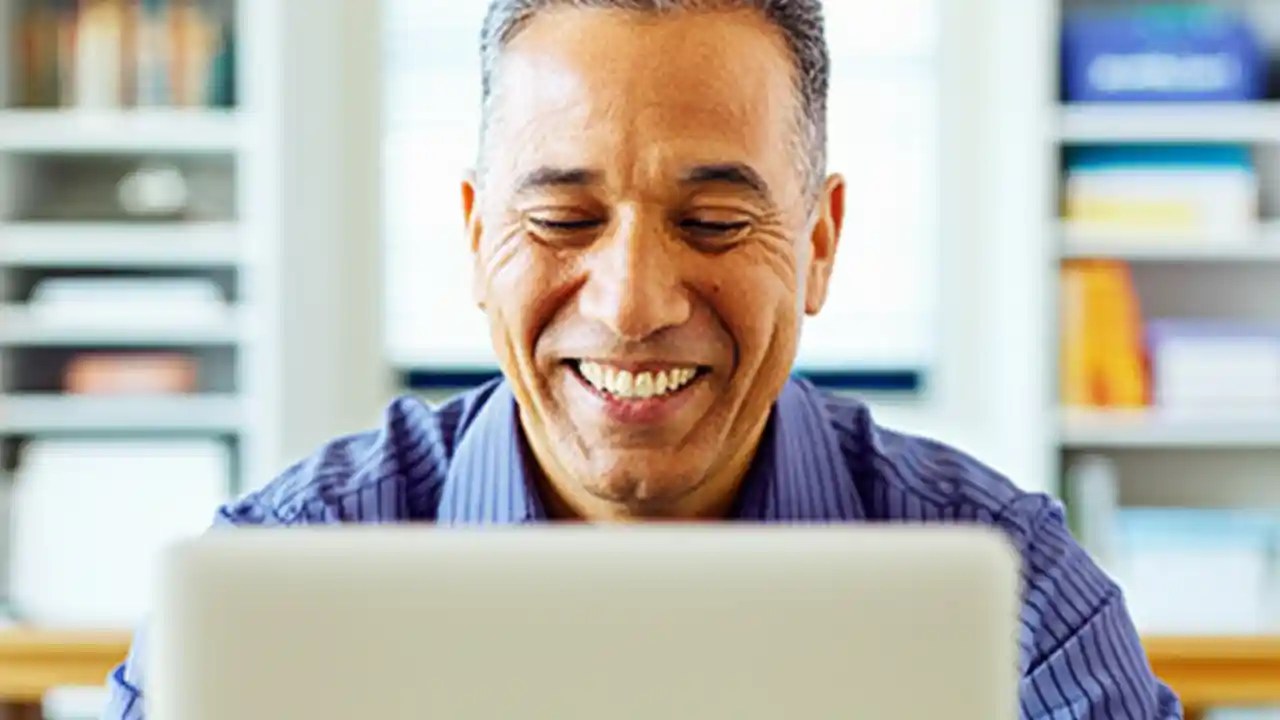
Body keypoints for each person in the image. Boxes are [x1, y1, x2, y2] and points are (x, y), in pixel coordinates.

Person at [104, 1, 1182, 718]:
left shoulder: (1020, 607)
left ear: (817, 244)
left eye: (712, 222)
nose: (630, 306)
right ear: (479, 238)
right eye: (564, 218)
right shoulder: (277, 578)